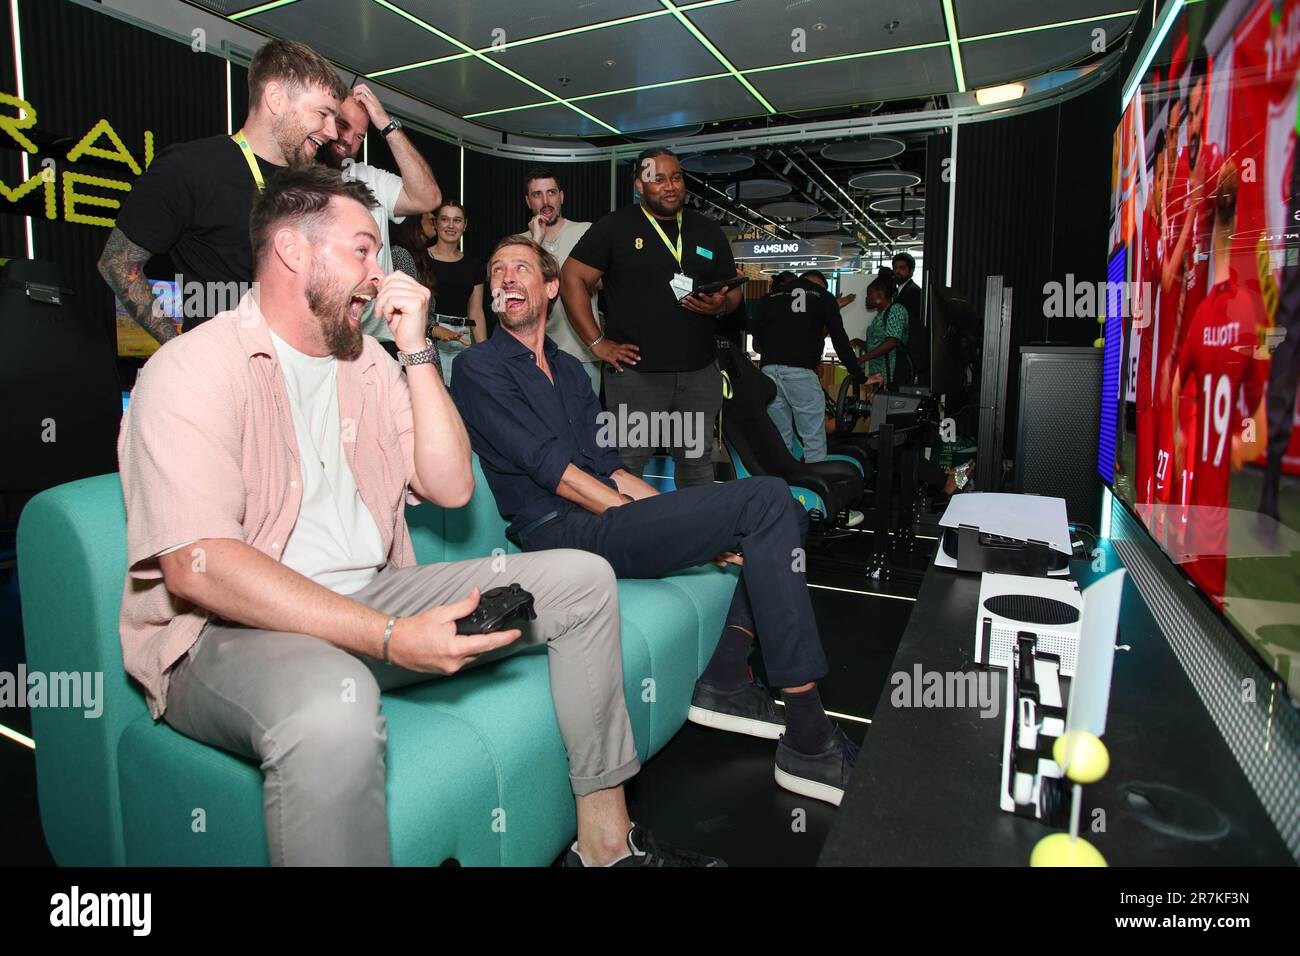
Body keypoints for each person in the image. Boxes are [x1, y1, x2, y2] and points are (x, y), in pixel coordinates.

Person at [117, 165, 721, 868]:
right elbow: (203, 568)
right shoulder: (193, 367)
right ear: (292, 251)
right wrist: (387, 636)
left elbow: (451, 485)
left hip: (371, 593)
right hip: (233, 631)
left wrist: (415, 350)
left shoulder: (371, 364)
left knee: (582, 581)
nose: (381, 273)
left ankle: (606, 848)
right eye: (362, 251)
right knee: (329, 708)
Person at [453, 234, 859, 806]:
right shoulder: (478, 368)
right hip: (556, 536)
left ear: (550, 289)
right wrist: (657, 521)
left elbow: (610, 468)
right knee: (765, 501)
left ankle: (724, 679)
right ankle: (810, 738)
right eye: (497, 271)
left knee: (783, 507)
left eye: (522, 267)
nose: (507, 278)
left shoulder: (570, 372)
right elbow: (557, 475)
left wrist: (676, 520)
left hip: (600, 520)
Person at [99, 39, 346, 342]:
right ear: (276, 98)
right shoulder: (190, 167)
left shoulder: (312, 185)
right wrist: (178, 347)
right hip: (226, 373)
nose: (332, 132)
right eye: (323, 113)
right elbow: (117, 263)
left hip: (300, 369)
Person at [560, 148, 745, 487]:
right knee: (628, 464)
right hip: (637, 379)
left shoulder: (706, 230)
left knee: (696, 462)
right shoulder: (615, 227)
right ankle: (629, 538)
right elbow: (571, 277)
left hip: (697, 374)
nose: (670, 186)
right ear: (639, 185)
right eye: (658, 179)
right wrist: (597, 343)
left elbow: (734, 292)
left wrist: (720, 305)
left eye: (676, 177)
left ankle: (700, 538)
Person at [1171, 163, 1268, 602]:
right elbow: (1262, 417)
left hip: (1203, 516)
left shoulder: (1208, 315)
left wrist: (1179, 430)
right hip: (1210, 513)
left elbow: (1177, 385)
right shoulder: (1246, 311)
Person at [319, 81, 441, 346]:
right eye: (343, 126)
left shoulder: (369, 177)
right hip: (322, 336)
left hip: (377, 338)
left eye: (360, 136)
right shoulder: (297, 180)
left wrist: (385, 123)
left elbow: (428, 197)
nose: (349, 141)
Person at [751, 269, 865, 463]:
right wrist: (856, 372)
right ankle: (817, 488)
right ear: (819, 284)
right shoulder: (823, 296)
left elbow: (756, 341)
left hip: (769, 372)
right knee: (813, 438)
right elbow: (839, 339)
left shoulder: (770, 298)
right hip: (801, 373)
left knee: (780, 438)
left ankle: (784, 487)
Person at [524, 168, 602, 392]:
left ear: (561, 197)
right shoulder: (520, 244)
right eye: (537, 194)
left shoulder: (587, 232)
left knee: (585, 424)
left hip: (583, 353)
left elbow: (605, 281)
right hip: (535, 356)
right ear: (528, 201)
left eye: (551, 192)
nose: (546, 200)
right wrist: (535, 242)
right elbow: (519, 291)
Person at [424, 201, 487, 385]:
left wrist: (484, 352)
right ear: (435, 224)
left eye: (457, 220)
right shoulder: (421, 259)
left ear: (465, 225)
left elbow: (476, 311)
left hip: (463, 340)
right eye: (445, 219)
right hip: (430, 337)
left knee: (462, 401)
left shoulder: (474, 265)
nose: (451, 226)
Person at [853, 270, 910, 386]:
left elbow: (891, 342)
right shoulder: (880, 316)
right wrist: (858, 342)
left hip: (891, 375)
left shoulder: (896, 310)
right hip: (879, 376)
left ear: (880, 294)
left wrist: (862, 358)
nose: (866, 298)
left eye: (869, 294)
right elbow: (876, 345)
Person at [891, 252, 927, 385]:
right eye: (895, 268)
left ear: (911, 271)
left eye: (902, 268)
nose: (897, 271)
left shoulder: (913, 292)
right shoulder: (898, 292)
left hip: (909, 351)